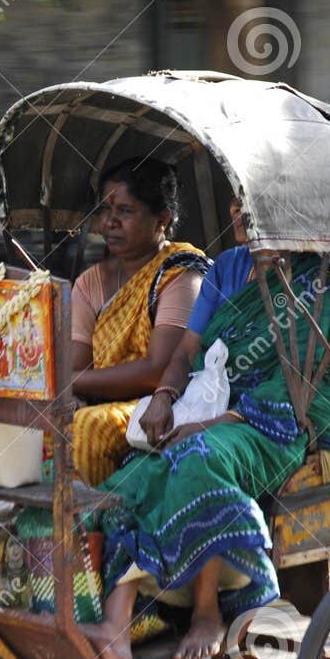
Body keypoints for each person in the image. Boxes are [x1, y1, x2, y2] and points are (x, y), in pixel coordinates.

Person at [80, 201, 330, 659]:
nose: (238, 210)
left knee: (197, 458)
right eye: (236, 199)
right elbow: (187, 351)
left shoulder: (316, 286)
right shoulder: (225, 268)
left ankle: (209, 614)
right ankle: (117, 624)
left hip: (271, 425)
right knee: (133, 474)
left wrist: (206, 425)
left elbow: (314, 388)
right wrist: (165, 398)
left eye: (254, 199)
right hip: (205, 407)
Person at [69, 158, 209, 486]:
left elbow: (158, 370)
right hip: (101, 397)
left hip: (160, 401)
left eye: (125, 211)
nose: (110, 223)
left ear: (162, 220)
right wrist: (69, 391)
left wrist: (70, 382)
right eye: (106, 211)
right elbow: (79, 364)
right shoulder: (89, 283)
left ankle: (92, 529)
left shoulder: (180, 272)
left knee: (89, 428)